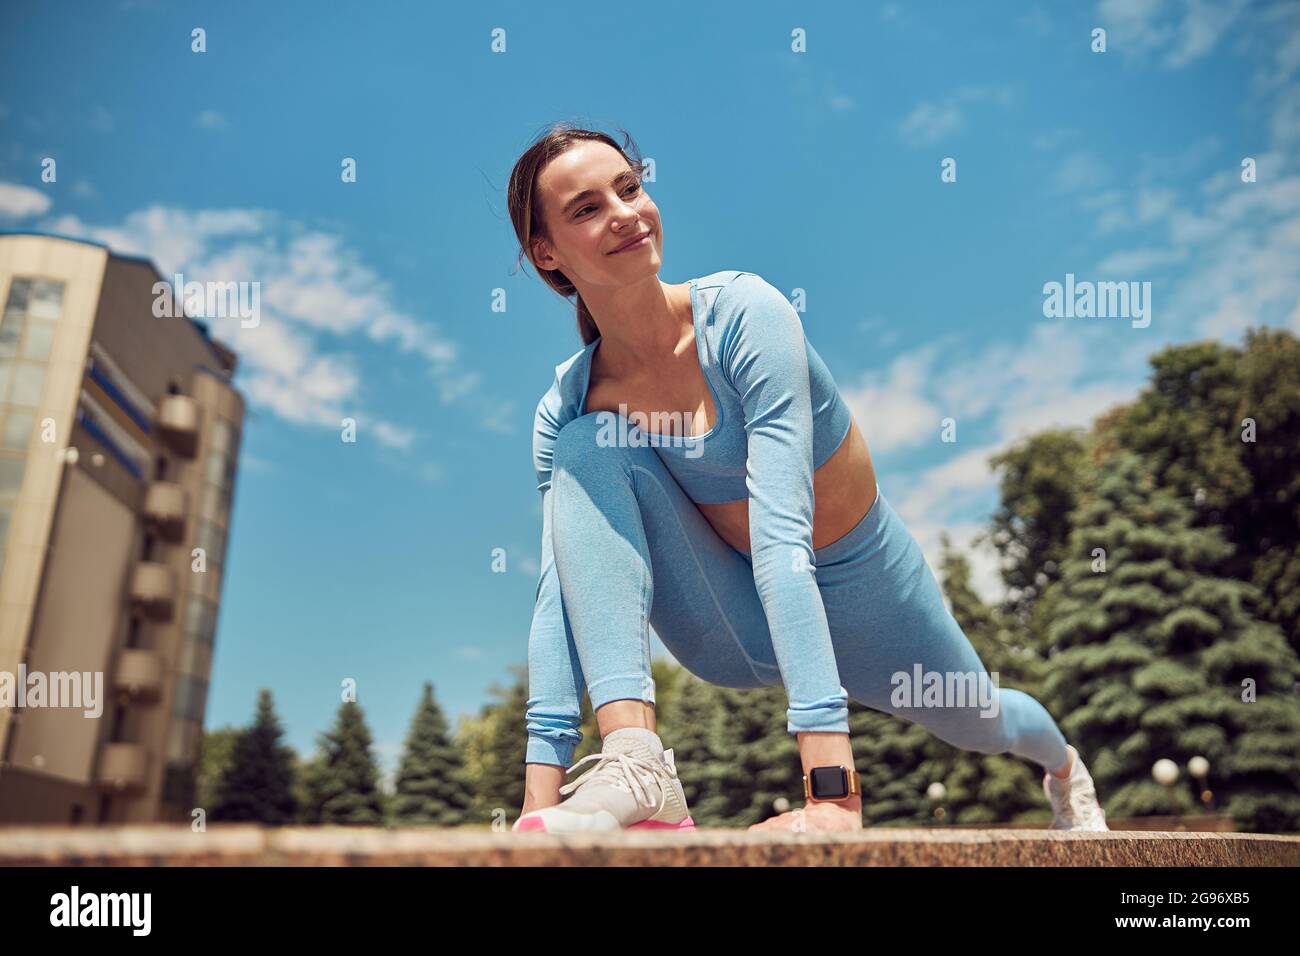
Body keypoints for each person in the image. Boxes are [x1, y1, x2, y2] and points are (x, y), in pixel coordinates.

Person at [504, 122, 1108, 835]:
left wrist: (832, 797)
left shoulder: (744, 316)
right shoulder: (569, 402)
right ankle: (638, 764)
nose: (625, 212)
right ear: (546, 253)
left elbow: (784, 535)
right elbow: (561, 602)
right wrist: (536, 818)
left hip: (870, 599)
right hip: (731, 619)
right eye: (586, 208)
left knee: (983, 719)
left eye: (630, 187)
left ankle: (1064, 766)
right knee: (586, 447)